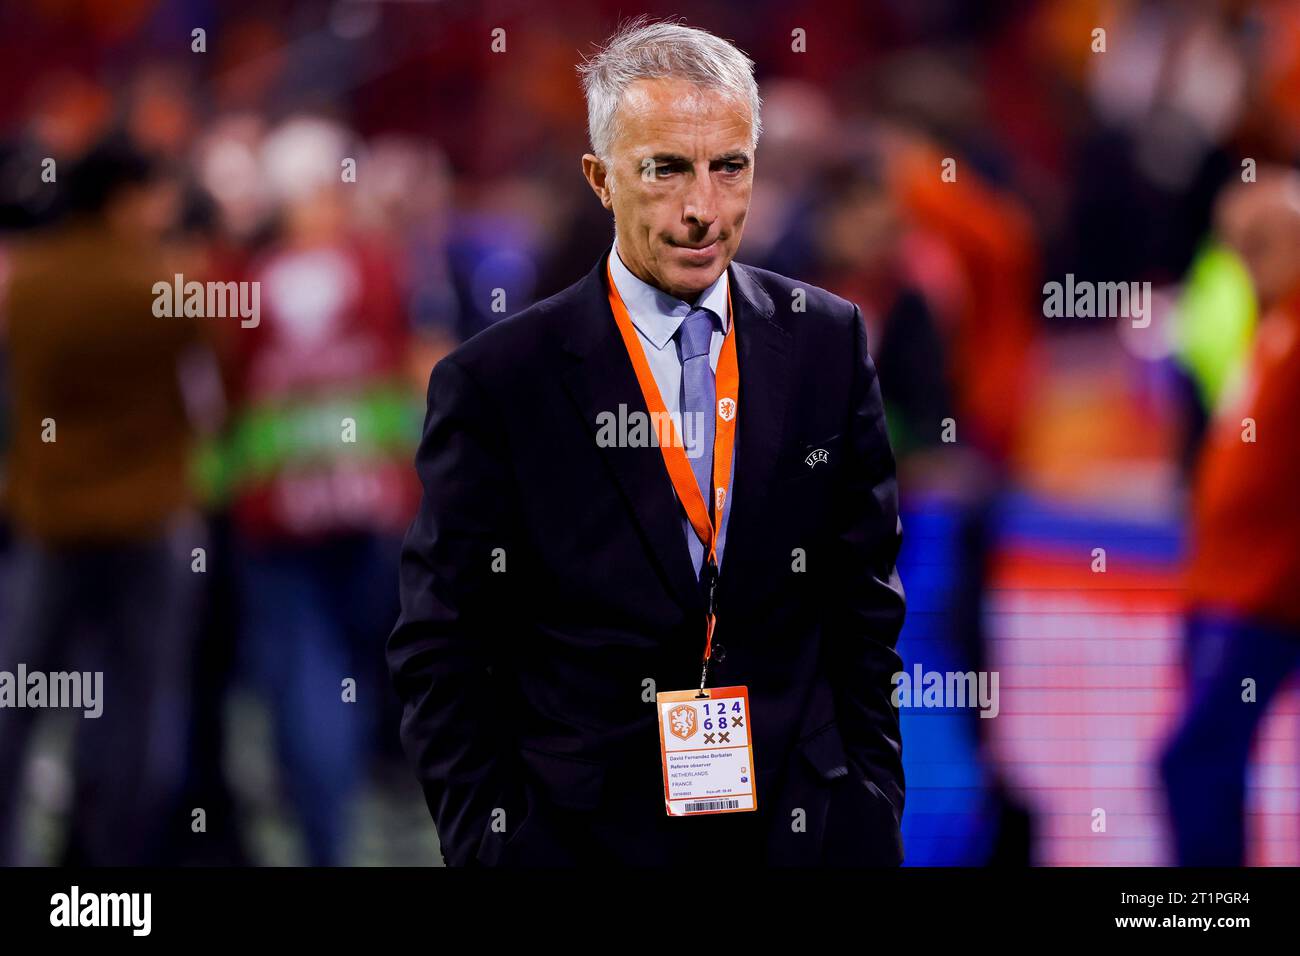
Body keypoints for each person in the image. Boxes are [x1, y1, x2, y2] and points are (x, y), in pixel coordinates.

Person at [388, 18, 907, 867]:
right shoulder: (499, 382)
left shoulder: (826, 341)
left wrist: (868, 807)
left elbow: (864, 605)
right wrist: (493, 847)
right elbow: (443, 642)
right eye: (665, 169)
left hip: (797, 830)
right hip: (585, 837)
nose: (701, 208)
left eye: (727, 167)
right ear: (600, 178)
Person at [0, 137, 205, 864]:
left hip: (47, 519)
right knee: (136, 709)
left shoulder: (29, 282)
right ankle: (109, 868)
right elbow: (206, 389)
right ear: (125, 199)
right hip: (147, 524)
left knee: (19, 696)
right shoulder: (165, 285)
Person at [1159, 168, 1300, 865]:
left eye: (1263, 239)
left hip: (1263, 591)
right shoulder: (1266, 324)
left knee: (1194, 757)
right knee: (1203, 760)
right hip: (1224, 583)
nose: (1247, 257)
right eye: (1236, 243)